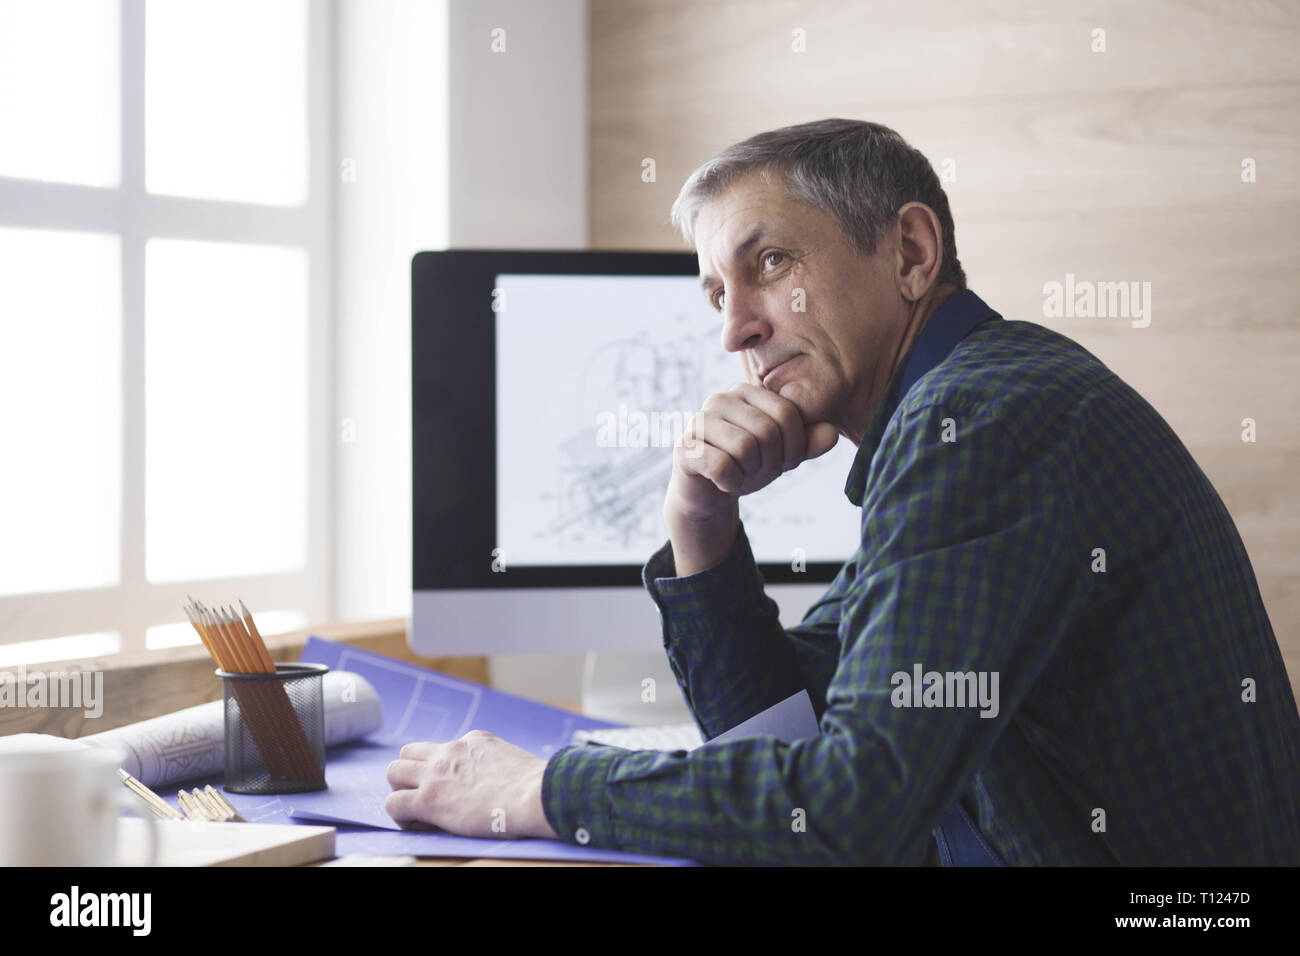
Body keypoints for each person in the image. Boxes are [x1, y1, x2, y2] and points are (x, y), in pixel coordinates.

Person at [384, 119, 1300, 865]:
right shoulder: (964, 407)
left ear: (909, 251)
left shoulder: (982, 424)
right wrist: (700, 526)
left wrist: (540, 791)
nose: (736, 327)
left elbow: (846, 810)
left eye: (771, 262)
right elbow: (786, 732)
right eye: (716, 294)